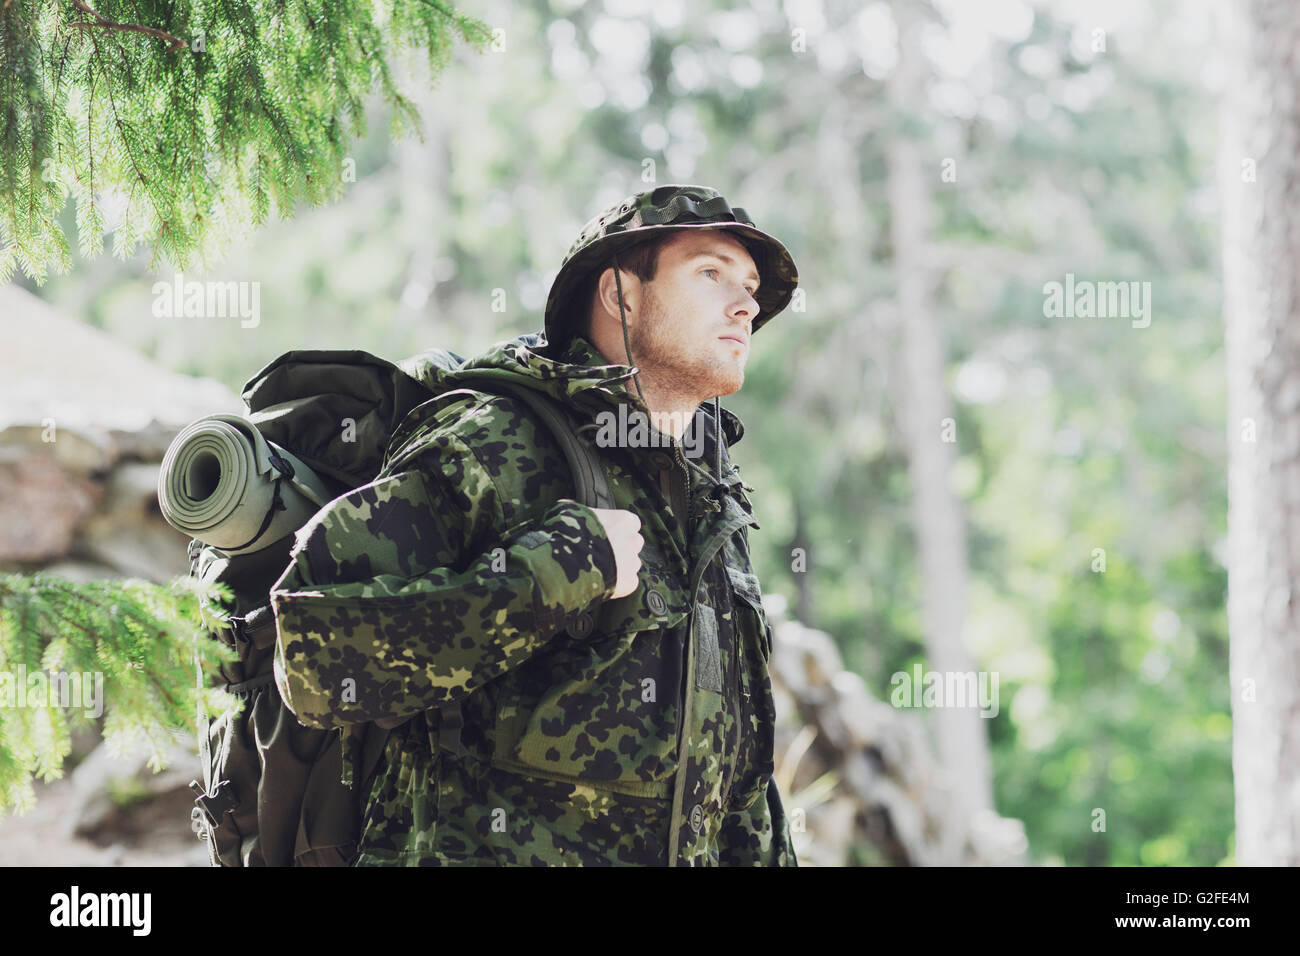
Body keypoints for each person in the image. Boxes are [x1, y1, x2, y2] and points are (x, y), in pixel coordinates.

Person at [271, 183, 800, 866]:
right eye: (710, 273)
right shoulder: (494, 442)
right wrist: (552, 577)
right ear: (620, 294)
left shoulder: (708, 500)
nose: (746, 304)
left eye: (752, 287)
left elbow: (738, 784)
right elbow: (315, 661)